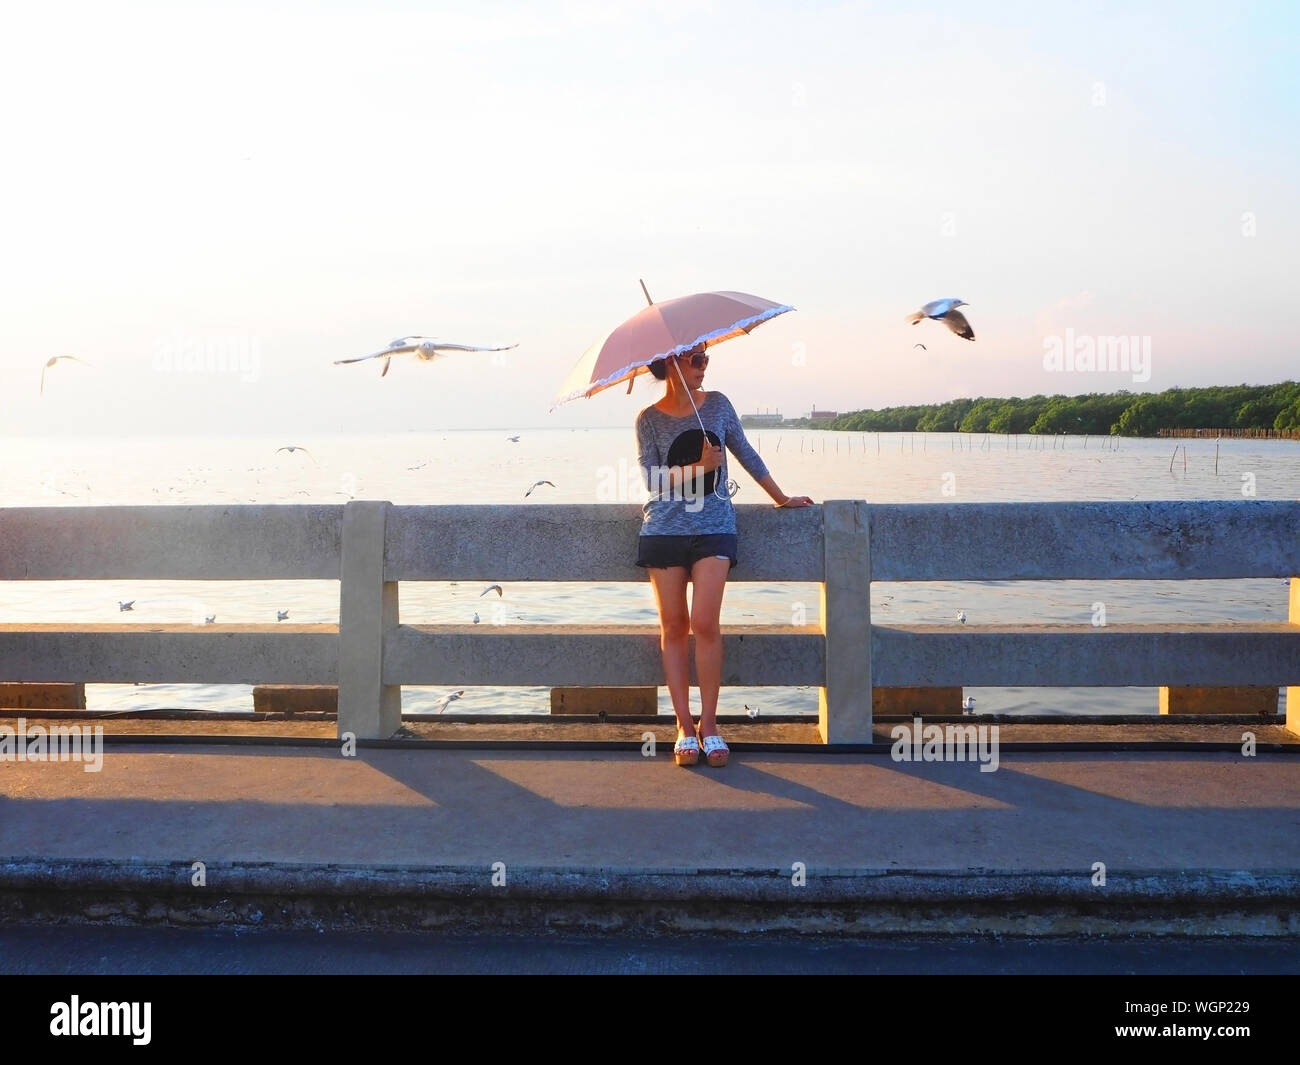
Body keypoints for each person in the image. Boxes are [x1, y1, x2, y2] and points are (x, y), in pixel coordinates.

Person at [634, 344, 813, 767]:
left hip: (714, 525)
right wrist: (697, 466)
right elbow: (649, 479)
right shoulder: (648, 418)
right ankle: (684, 727)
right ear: (672, 363)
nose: (704, 366)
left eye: (706, 358)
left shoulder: (717, 405)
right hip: (664, 529)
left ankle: (710, 724)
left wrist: (781, 497)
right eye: (696, 359)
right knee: (674, 627)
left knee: (705, 623)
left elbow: (745, 452)